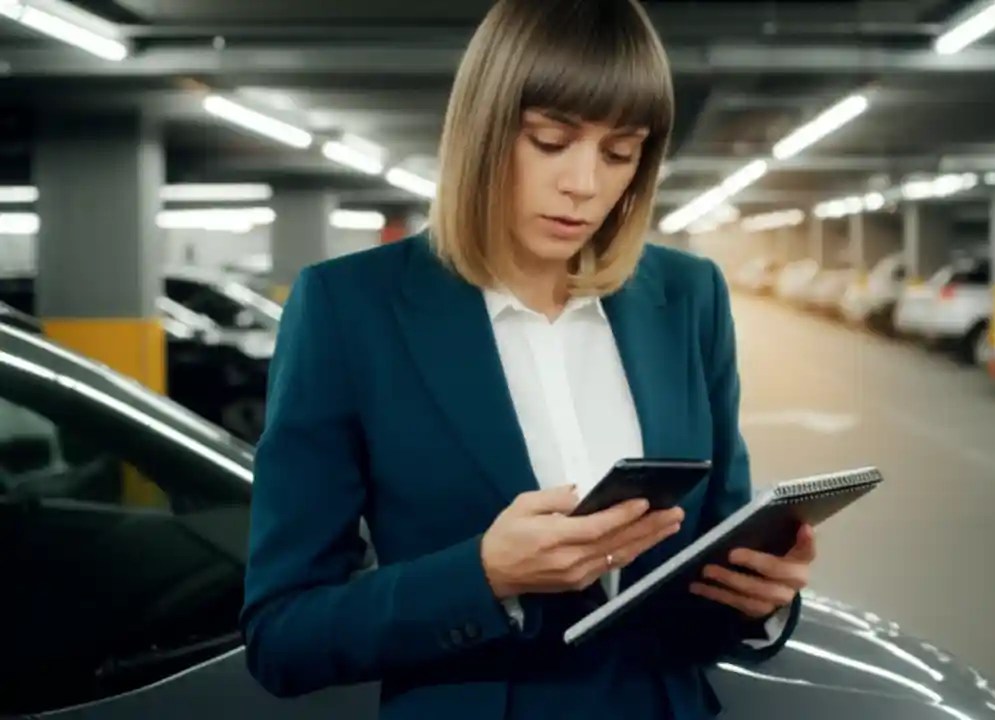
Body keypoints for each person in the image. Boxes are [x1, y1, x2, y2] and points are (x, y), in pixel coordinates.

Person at [239, 0, 817, 718]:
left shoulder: (687, 297)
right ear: (485, 132)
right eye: (551, 141)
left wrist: (760, 600)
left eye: (619, 153)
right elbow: (282, 636)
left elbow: (709, 566)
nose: (585, 183)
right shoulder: (349, 310)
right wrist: (482, 575)